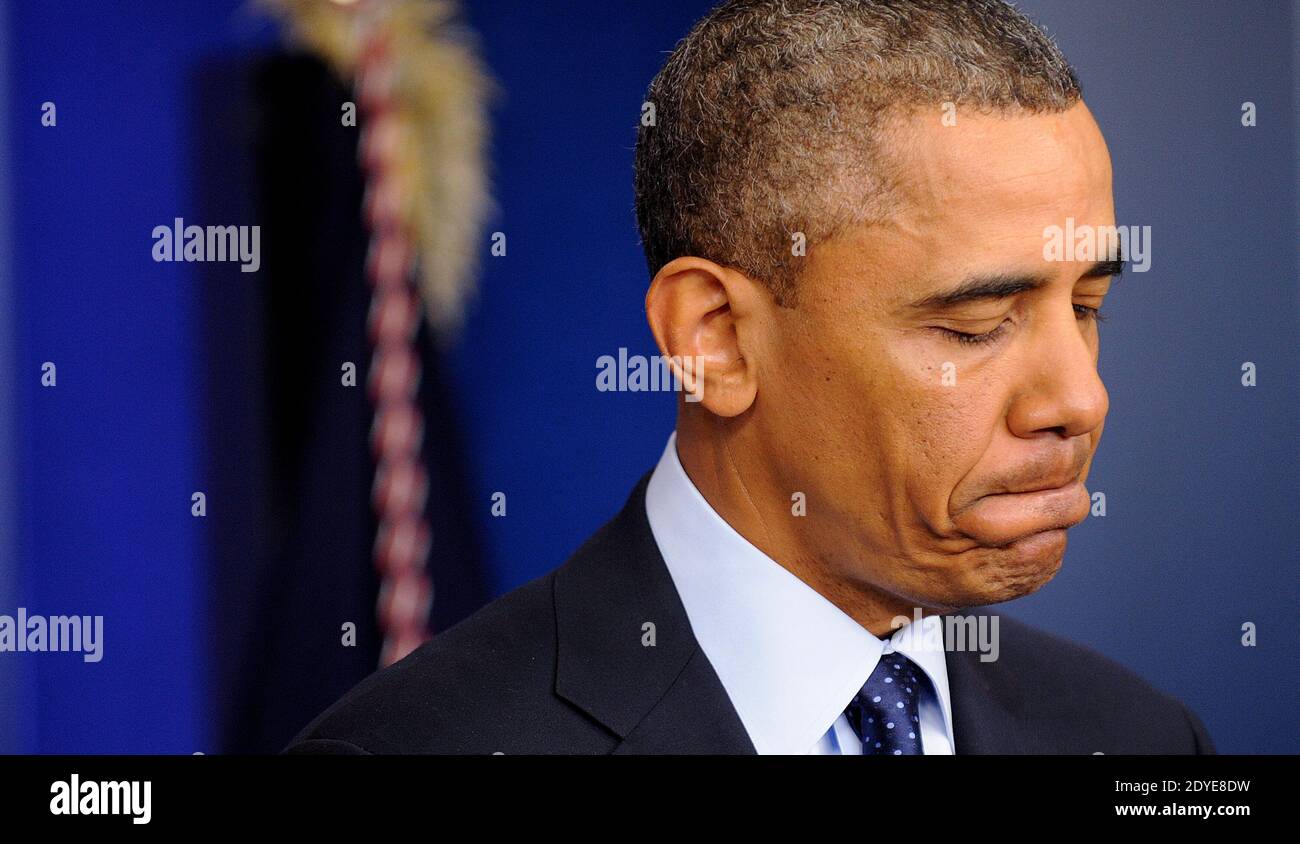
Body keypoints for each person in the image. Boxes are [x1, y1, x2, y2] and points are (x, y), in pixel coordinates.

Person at [287, 0, 1215, 755]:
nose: (1080, 400)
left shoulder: (1141, 739)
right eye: (974, 326)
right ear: (717, 340)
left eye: (1086, 308)